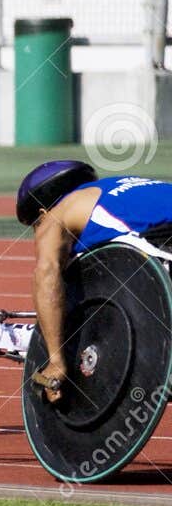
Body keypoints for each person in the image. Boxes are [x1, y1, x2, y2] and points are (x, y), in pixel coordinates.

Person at [17, 160, 172, 402]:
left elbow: (47, 274)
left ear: (42, 212)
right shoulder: (121, 186)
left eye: (35, 225)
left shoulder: (57, 215)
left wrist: (56, 360)